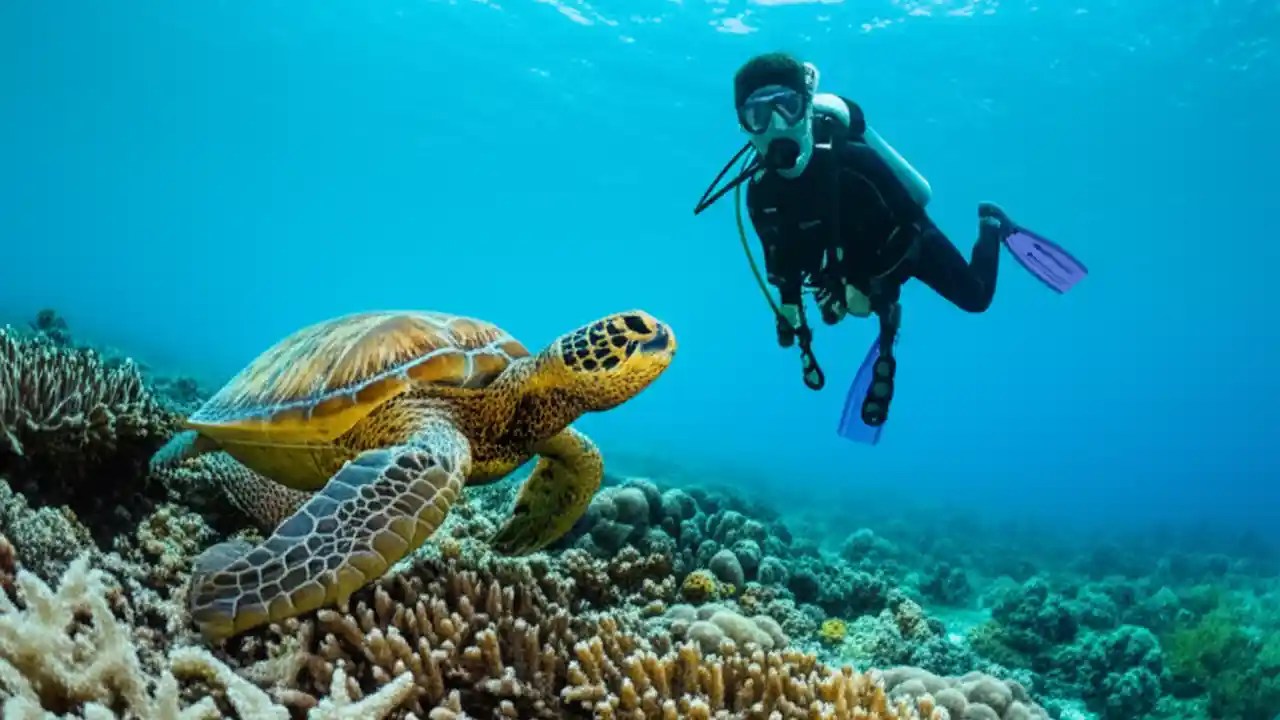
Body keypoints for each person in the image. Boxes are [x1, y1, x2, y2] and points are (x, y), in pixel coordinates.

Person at [693, 51, 1088, 444]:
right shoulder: (760, 194)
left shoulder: (854, 163)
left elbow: (909, 220)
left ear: (806, 106)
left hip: (899, 241)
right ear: (744, 126)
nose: (775, 125)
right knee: (843, 311)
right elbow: (779, 258)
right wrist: (793, 316)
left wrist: (879, 288)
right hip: (848, 262)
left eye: (787, 106)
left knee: (976, 297)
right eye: (757, 115)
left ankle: (991, 224)